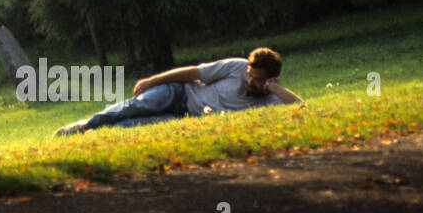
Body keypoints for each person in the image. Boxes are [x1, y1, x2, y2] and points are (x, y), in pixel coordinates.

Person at [54, 47, 303, 136]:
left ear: (272, 79)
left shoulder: (271, 97)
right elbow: (193, 72)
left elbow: (300, 106)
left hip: (185, 116)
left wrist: (271, 87)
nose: (250, 80)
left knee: (130, 126)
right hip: (179, 93)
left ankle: (89, 136)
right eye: (250, 74)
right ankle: (84, 126)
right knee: (134, 106)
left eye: (257, 79)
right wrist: (152, 80)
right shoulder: (236, 67)